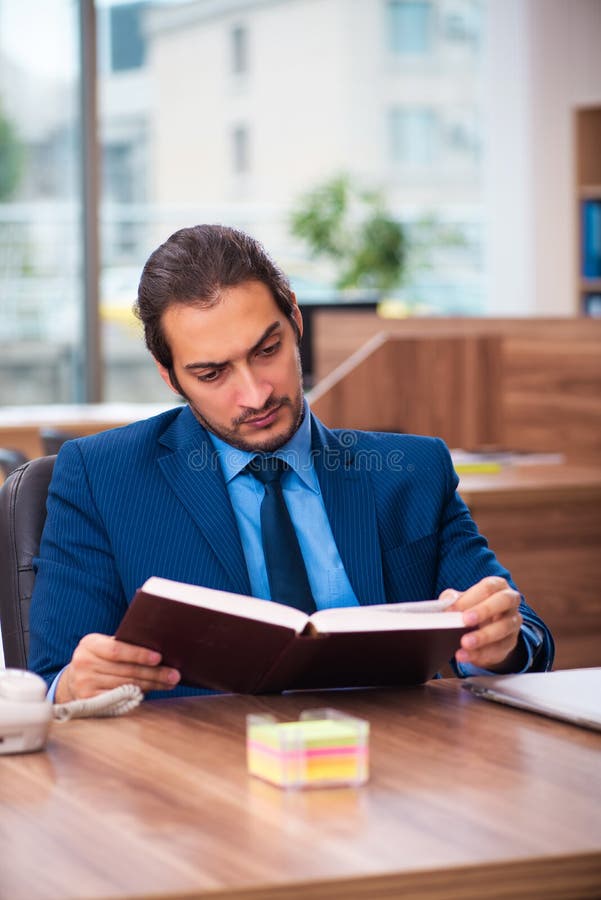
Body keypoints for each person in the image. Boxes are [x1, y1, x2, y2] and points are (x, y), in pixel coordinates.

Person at [28, 224, 554, 702]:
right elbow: (52, 680)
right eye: (212, 374)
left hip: (393, 760)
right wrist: (73, 685)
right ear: (170, 377)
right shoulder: (100, 477)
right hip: (198, 767)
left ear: (296, 321)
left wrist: (500, 642)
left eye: (267, 350)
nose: (255, 395)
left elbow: (525, 635)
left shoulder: (413, 473)